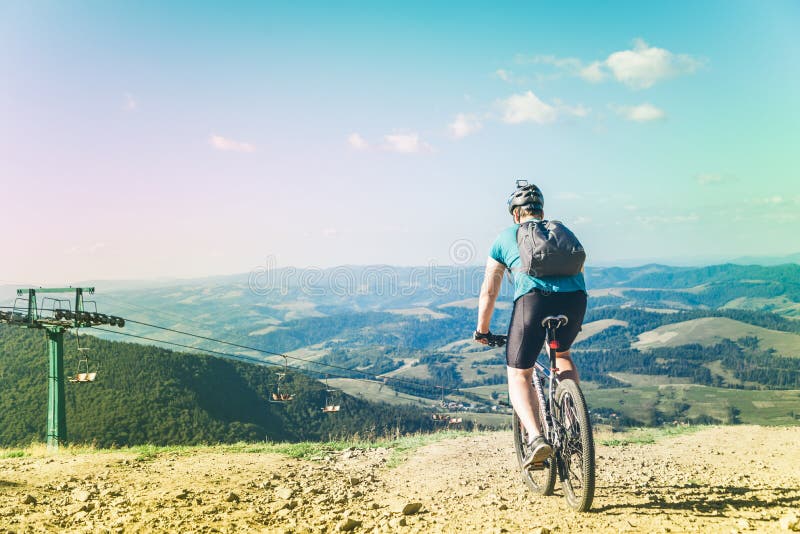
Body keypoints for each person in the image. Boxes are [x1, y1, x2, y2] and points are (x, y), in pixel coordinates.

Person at [474, 181, 587, 468]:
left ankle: (536, 438)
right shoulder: (562, 233)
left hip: (533, 304)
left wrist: (483, 330)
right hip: (575, 302)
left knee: (519, 374)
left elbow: (489, 291)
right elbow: (580, 271)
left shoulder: (505, 237)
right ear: (541, 211)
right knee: (561, 355)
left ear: (515, 214)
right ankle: (574, 422)